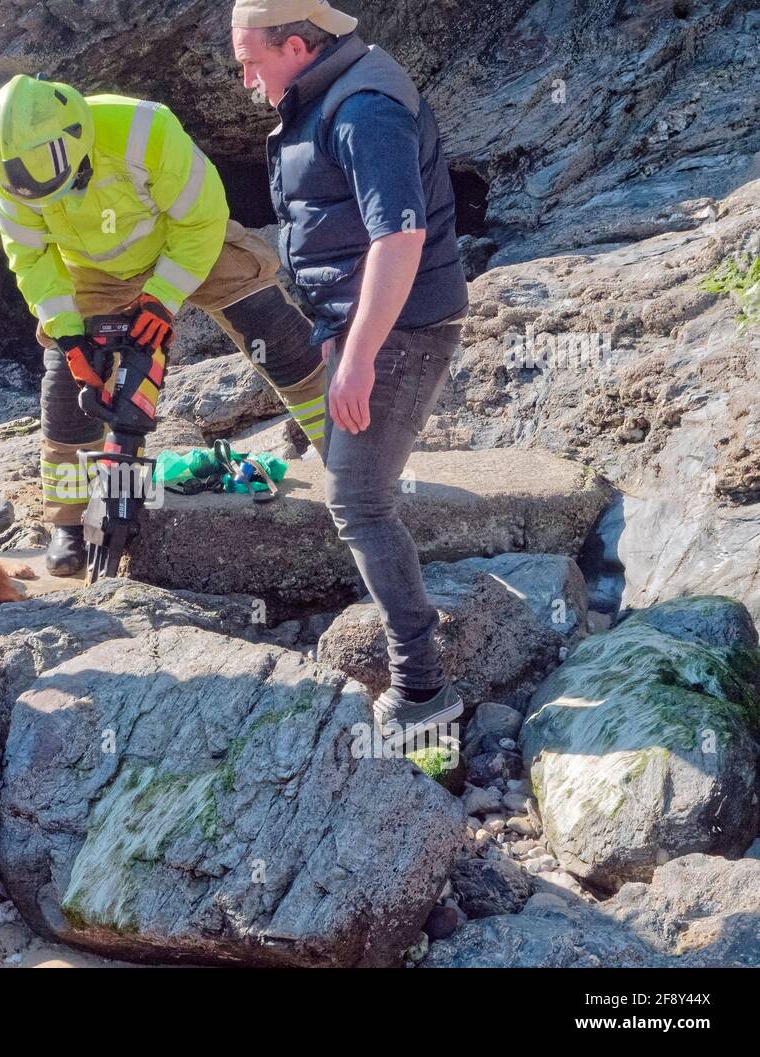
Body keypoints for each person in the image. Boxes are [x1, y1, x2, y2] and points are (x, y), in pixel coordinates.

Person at [231, 0, 470, 737]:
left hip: (406, 327)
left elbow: (398, 238)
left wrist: (360, 355)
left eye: (251, 63)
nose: (246, 82)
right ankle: (421, 638)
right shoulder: (324, 94)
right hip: (365, 324)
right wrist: (336, 330)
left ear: (297, 45)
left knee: (359, 501)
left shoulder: (365, 108)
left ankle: (423, 690)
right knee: (355, 486)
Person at [0, 73, 324, 577]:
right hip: (91, 268)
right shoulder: (8, 176)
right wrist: (69, 333)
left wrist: (161, 300)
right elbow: (31, 260)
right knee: (69, 379)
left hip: (183, 245)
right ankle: (71, 522)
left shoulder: (144, 130)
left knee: (272, 327)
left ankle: (347, 451)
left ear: (80, 140)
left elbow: (201, 221)